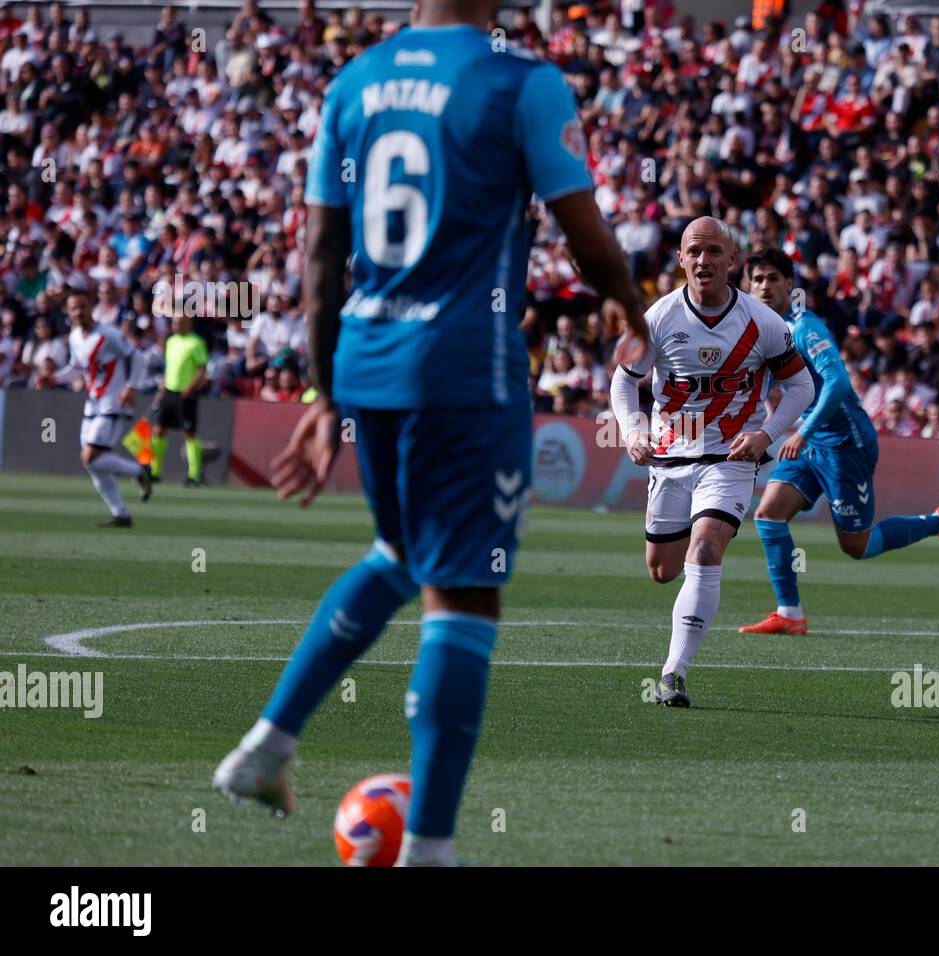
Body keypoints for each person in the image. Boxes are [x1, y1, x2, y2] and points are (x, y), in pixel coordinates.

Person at [213, 0, 647, 867]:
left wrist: (324, 391)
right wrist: (637, 311)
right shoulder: (519, 79)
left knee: (400, 554)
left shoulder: (356, 81)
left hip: (370, 359)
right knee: (465, 592)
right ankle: (433, 850)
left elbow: (320, 254)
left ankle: (265, 749)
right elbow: (586, 237)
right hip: (464, 368)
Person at [609, 219, 816, 706]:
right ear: (681, 259)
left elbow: (802, 386)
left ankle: (673, 674)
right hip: (671, 454)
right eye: (694, 252)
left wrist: (766, 433)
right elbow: (623, 382)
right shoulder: (656, 319)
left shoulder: (763, 323)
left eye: (714, 252)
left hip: (730, 458)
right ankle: (688, 603)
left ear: (732, 260)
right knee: (662, 570)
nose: (704, 261)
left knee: (704, 553)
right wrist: (634, 430)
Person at [736, 248, 939, 637]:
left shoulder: (804, 328)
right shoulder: (762, 330)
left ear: (789, 285)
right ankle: (790, 613)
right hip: (810, 441)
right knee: (769, 514)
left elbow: (839, 383)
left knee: (857, 546)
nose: (764, 287)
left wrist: (801, 432)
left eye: (772, 279)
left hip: (846, 442)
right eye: (757, 279)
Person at [51, 290, 152, 525]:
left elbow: (136, 356)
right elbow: (77, 368)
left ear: (91, 307)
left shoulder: (108, 334)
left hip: (113, 403)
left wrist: (131, 387)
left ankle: (140, 471)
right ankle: (121, 514)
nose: (79, 312)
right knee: (94, 464)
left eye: (83, 307)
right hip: (93, 404)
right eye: (74, 308)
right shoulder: (75, 336)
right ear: (67, 311)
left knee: (90, 457)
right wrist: (54, 379)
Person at [151, 311, 208, 485]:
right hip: (169, 391)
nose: (175, 326)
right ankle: (154, 471)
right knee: (159, 429)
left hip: (186, 394)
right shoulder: (171, 341)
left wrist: (191, 386)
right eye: (174, 323)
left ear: (188, 323)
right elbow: (170, 367)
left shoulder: (196, 342)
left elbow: (201, 370)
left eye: (179, 322)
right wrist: (163, 387)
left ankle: (194, 475)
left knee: (189, 433)